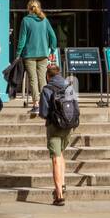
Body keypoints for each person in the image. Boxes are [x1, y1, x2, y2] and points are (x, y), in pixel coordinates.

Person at [39, 63, 79, 207]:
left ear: (48, 75)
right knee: (61, 154)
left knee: (55, 158)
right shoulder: (69, 86)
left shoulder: (47, 89)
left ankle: (59, 195)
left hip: (54, 126)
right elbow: (76, 107)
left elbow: (43, 113)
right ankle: (62, 183)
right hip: (68, 126)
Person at [16, 0, 59, 114]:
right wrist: (52, 50)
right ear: (39, 8)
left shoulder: (25, 20)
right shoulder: (44, 20)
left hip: (29, 55)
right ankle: (46, 103)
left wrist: (18, 53)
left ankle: (35, 104)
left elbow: (22, 39)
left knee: (33, 79)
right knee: (42, 79)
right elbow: (53, 37)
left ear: (28, 8)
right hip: (43, 54)